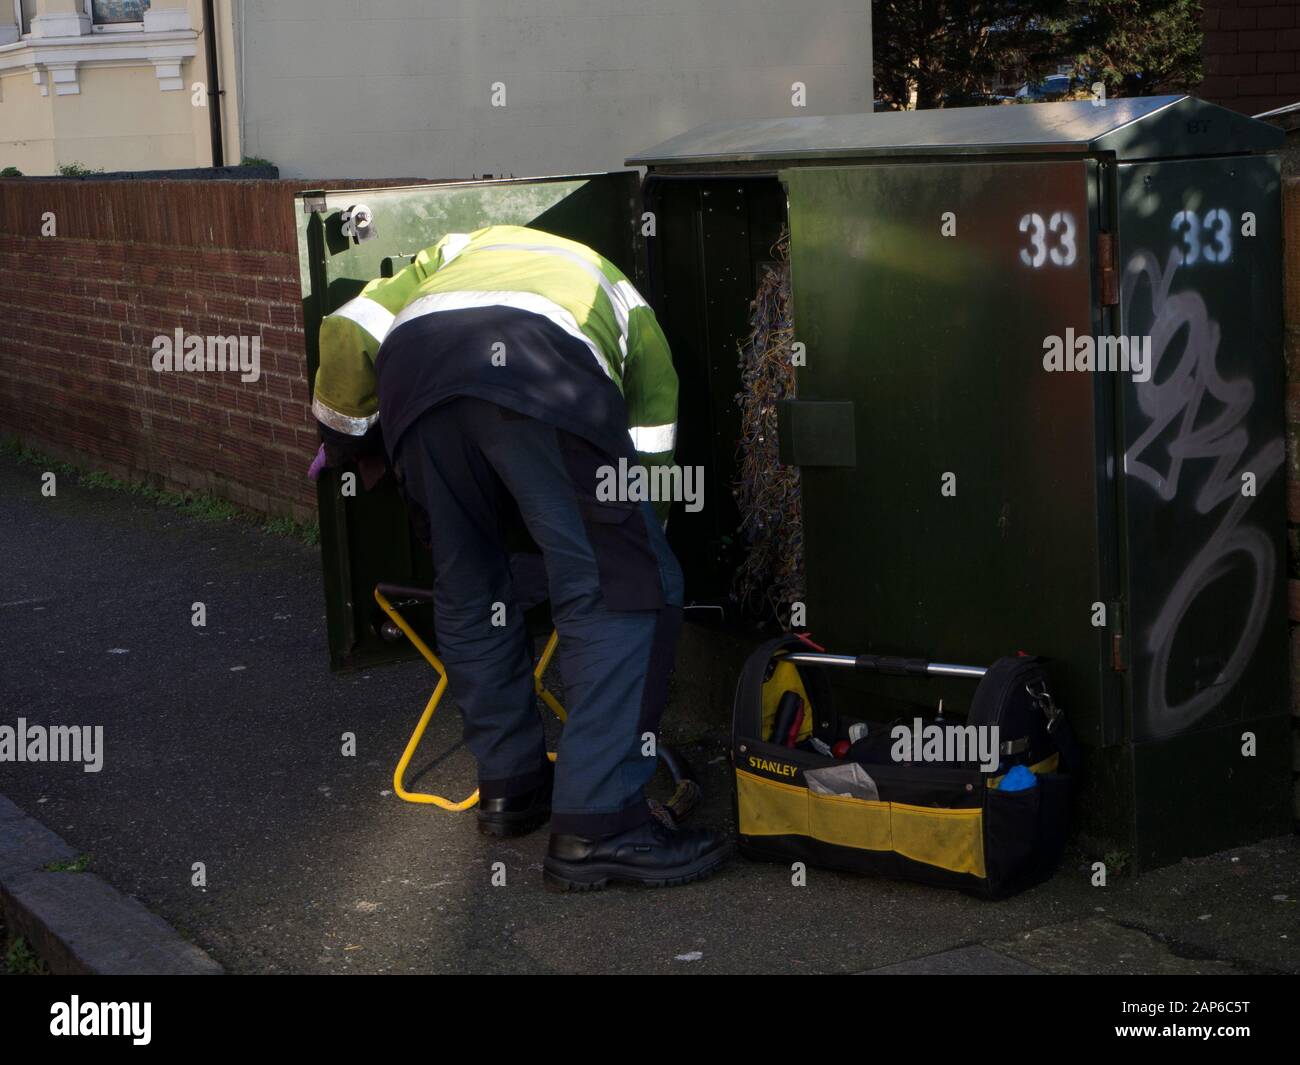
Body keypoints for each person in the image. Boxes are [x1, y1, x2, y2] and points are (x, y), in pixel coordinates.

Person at [309, 224, 729, 891]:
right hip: (541, 369)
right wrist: (638, 548)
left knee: (471, 584)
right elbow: (648, 458)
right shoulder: (622, 297)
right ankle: (602, 826)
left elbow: (347, 330)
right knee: (625, 585)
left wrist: (343, 440)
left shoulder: (447, 254)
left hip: (416, 380)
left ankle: (512, 788)